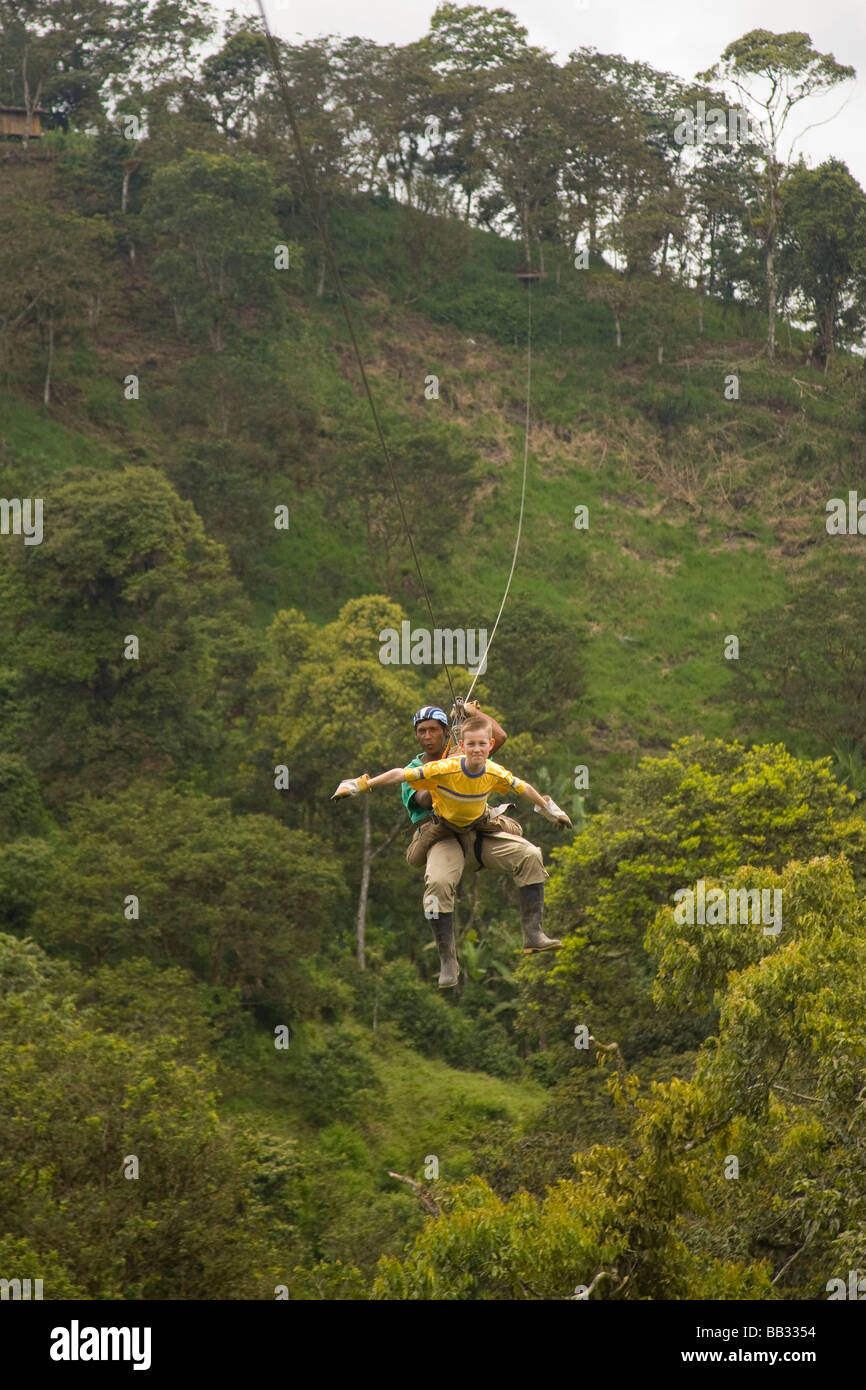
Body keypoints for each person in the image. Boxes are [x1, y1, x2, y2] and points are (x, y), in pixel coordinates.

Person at [332, 714, 571, 987]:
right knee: (437, 883)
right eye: (471, 745)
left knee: (530, 854)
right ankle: (447, 959)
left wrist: (550, 810)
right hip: (446, 835)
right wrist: (359, 785)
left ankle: (534, 934)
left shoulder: (493, 771)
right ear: (462, 745)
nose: (477, 750)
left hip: (481, 832)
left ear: (489, 746)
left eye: (483, 745)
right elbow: (402, 775)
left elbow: (523, 787)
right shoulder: (445, 768)